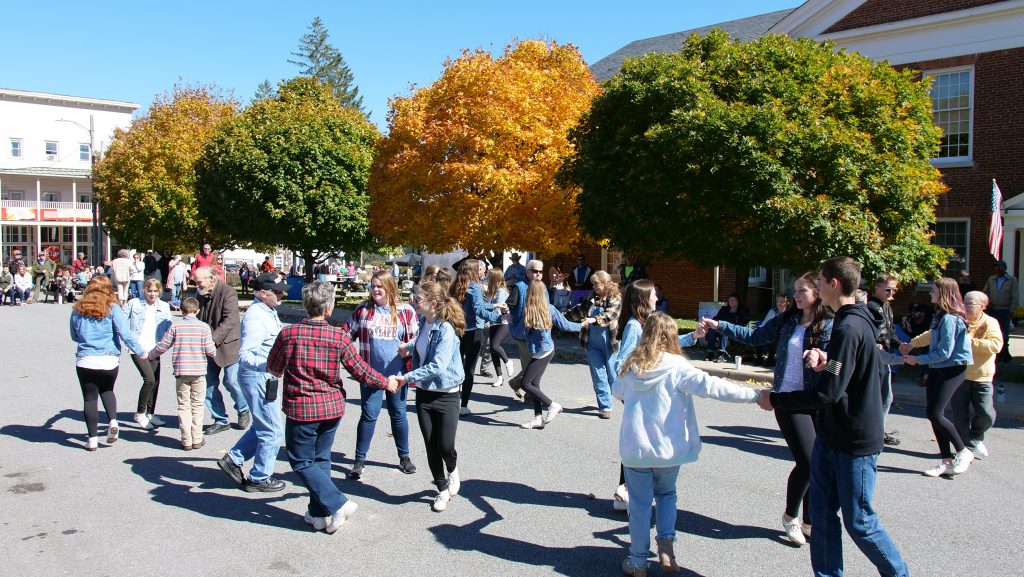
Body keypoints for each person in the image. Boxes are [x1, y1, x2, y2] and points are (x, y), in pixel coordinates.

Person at [761, 256, 908, 577]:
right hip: (831, 435)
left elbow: (826, 393)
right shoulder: (850, 321)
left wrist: (775, 399)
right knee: (823, 515)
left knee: (860, 521)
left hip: (854, 440)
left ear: (833, 284)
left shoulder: (850, 326)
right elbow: (847, 370)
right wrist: (826, 360)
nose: (817, 288)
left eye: (820, 283)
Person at [614, 313, 759, 576]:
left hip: (636, 450)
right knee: (666, 495)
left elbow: (617, 392)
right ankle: (666, 546)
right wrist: (754, 395)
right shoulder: (678, 366)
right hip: (669, 449)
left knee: (639, 505)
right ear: (672, 336)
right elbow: (712, 387)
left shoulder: (630, 364)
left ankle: (638, 561)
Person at [703, 272, 832, 546]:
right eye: (795, 290)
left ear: (817, 293)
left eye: (802, 290)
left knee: (820, 463)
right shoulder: (787, 320)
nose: (795, 295)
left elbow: (837, 361)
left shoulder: (829, 324)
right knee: (808, 461)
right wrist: (720, 325)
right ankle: (790, 516)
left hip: (816, 399)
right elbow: (754, 336)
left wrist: (824, 358)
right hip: (787, 399)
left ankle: (810, 521)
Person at [266, 281, 396, 533]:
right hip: (330, 407)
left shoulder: (289, 334)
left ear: (306, 305)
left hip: (302, 408)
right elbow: (360, 370)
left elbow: (274, 367)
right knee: (320, 459)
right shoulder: (338, 336)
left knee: (301, 461)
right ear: (328, 309)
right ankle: (318, 514)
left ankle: (337, 503)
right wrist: (385, 382)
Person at [396, 281, 466, 512]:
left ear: (433, 303)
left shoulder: (446, 330)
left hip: (447, 395)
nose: (414, 300)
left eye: (418, 298)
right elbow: (423, 342)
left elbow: (437, 365)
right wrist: (408, 346)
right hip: (424, 394)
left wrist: (407, 377)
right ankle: (442, 489)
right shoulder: (422, 322)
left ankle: (452, 470)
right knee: (430, 445)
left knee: (445, 446)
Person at [342, 270, 419, 480]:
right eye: (373, 286)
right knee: (368, 415)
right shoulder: (363, 310)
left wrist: (407, 348)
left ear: (389, 287)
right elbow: (345, 336)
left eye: (379, 286)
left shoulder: (406, 311)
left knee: (399, 414)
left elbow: (417, 339)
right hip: (371, 375)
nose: (375, 290)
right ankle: (359, 460)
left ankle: (404, 457)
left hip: (398, 376)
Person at [218, 273, 290, 491]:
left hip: (265, 377)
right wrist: (269, 366)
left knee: (263, 425)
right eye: (277, 292)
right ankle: (260, 478)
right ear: (262, 293)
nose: (281, 295)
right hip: (258, 377)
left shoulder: (268, 311)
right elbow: (245, 355)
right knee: (272, 430)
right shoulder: (256, 317)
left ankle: (234, 459)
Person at [902, 278, 974, 477]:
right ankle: (946, 462)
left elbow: (944, 352)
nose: (930, 293)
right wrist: (912, 344)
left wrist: (918, 360)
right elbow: (932, 336)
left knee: (935, 413)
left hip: (953, 368)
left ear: (944, 293)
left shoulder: (950, 318)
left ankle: (963, 451)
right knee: (933, 413)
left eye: (933, 290)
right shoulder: (940, 314)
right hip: (938, 367)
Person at [70, 277, 145, 451]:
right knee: (107, 390)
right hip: (109, 359)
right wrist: (141, 351)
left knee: (90, 398)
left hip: (86, 359)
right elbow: (125, 333)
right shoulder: (113, 308)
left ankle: (92, 439)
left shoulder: (78, 309)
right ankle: (113, 421)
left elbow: (74, 335)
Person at [509, 280, 582, 429]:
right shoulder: (550, 308)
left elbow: (518, 333)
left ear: (529, 294)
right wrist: (581, 325)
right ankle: (538, 418)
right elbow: (565, 325)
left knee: (525, 383)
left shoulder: (528, 311)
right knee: (534, 384)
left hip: (541, 353)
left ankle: (552, 405)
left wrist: (509, 321)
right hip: (547, 350)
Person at [147, 297, 217, 450]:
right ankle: (197, 438)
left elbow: (163, 345)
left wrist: (150, 355)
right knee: (197, 405)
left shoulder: (176, 327)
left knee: (183, 405)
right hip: (198, 371)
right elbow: (210, 350)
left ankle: (186, 439)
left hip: (181, 371)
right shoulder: (204, 327)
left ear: (181, 310)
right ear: (198, 311)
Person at [194, 266, 250, 434]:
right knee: (208, 384)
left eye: (199, 282)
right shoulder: (201, 293)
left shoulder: (228, 292)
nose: (197, 285)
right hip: (207, 347)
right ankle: (220, 419)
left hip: (228, 345)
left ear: (211, 279)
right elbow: (198, 317)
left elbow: (230, 320)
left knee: (231, 381)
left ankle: (243, 409)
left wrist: (212, 339)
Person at [950, 291, 1002, 460]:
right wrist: (913, 343)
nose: (965, 306)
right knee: (960, 415)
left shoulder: (990, 323)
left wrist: (969, 342)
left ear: (982, 306)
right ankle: (967, 447)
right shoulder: (958, 320)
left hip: (982, 377)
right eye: (963, 302)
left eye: (970, 303)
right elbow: (934, 334)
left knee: (986, 413)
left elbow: (996, 345)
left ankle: (975, 436)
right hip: (959, 376)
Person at [450, 259, 505, 415]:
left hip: (457, 331)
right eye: (480, 269)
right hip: (473, 332)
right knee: (469, 370)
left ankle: (452, 402)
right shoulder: (474, 286)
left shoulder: (455, 286)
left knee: (455, 367)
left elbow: (475, 305)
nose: (483, 272)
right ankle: (464, 405)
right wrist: (499, 316)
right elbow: (479, 311)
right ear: (473, 270)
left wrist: (494, 305)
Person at [124, 278, 173, 430]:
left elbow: (169, 327)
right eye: (149, 290)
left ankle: (150, 413)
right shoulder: (134, 303)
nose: (152, 294)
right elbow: (121, 321)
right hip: (138, 348)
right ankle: (140, 413)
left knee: (155, 381)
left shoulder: (164, 306)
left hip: (155, 348)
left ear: (160, 291)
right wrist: (127, 341)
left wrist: (165, 345)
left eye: (155, 291)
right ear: (144, 290)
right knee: (149, 380)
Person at [581, 270, 622, 419]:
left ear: (605, 283)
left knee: (612, 375)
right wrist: (564, 317)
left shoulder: (616, 298)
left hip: (610, 341)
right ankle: (605, 406)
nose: (593, 287)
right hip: (591, 341)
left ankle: (623, 397)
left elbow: (611, 314)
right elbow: (581, 310)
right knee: (598, 375)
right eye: (593, 284)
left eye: (596, 284)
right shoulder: (592, 297)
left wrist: (595, 319)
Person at [866, 275, 902, 446]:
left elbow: (890, 332)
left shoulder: (887, 307)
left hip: (885, 357)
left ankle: (877, 430)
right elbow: (868, 331)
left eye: (894, 289)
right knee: (881, 396)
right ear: (877, 288)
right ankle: (875, 431)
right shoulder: (871, 307)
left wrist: (900, 345)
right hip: (875, 357)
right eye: (888, 289)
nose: (891, 292)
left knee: (886, 396)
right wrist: (873, 343)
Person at [982, 259, 1018, 362]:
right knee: (993, 332)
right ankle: (996, 354)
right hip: (993, 310)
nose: (997, 268)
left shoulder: (1012, 280)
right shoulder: (991, 279)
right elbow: (985, 292)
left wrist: (1012, 309)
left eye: (999, 266)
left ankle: (1005, 354)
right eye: (996, 266)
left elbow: (1015, 296)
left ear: (1005, 268)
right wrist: (987, 303)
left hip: (1005, 310)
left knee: (1004, 334)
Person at [484, 268, 514, 387]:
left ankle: (508, 361)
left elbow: (498, 310)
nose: (487, 277)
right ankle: (500, 378)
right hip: (494, 322)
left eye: (489, 276)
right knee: (493, 350)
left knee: (495, 346)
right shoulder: (492, 291)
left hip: (504, 322)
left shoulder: (501, 291)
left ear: (494, 278)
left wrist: (486, 312)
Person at [703, 294, 749, 362]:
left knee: (724, 330)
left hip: (733, 330)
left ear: (738, 301)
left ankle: (721, 354)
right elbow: (716, 318)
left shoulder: (741, 311)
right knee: (712, 330)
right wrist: (711, 322)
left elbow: (743, 322)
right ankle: (710, 353)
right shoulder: (724, 309)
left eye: (733, 300)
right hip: (720, 328)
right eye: (730, 300)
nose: (731, 301)